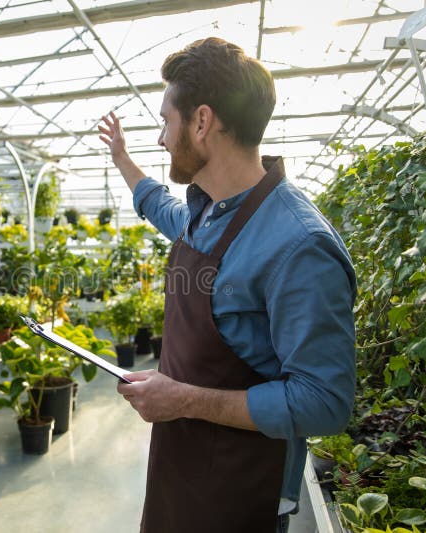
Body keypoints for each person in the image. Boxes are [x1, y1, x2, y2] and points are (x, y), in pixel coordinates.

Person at [98, 37, 357, 532]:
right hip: (182, 460)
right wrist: (122, 160)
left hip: (242, 492)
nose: (161, 139)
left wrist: (185, 399)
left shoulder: (297, 244)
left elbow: (324, 402)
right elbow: (159, 206)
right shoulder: (207, 214)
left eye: (165, 122)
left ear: (201, 121)